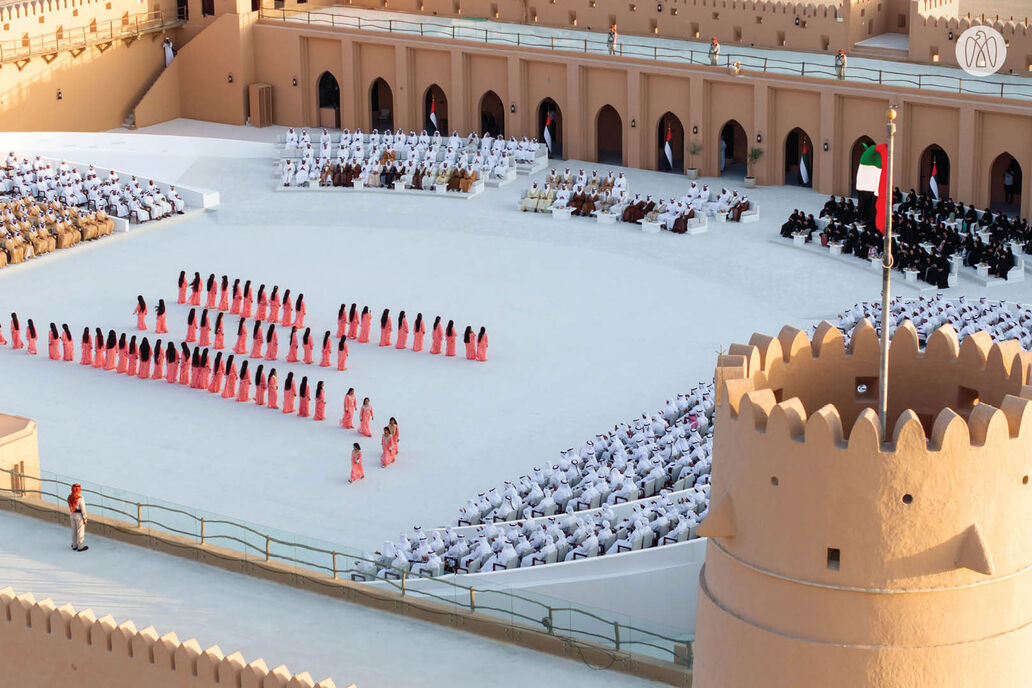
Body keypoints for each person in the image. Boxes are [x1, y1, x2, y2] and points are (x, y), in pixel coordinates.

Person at [67, 483, 88, 551]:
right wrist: (85, 518)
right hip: (79, 516)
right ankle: (80, 546)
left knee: (74, 530)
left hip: (72, 514)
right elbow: (83, 510)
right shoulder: (80, 498)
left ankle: (74, 545)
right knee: (80, 531)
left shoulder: (70, 496)